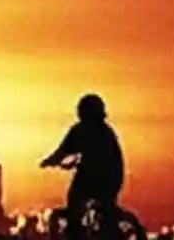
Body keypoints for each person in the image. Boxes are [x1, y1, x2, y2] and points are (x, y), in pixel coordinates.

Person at [40, 94, 126, 240]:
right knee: (95, 208)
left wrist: (51, 161)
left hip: (102, 178)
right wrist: (53, 160)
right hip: (106, 178)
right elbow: (64, 151)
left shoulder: (87, 131)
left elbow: (63, 152)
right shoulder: (102, 131)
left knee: (78, 203)